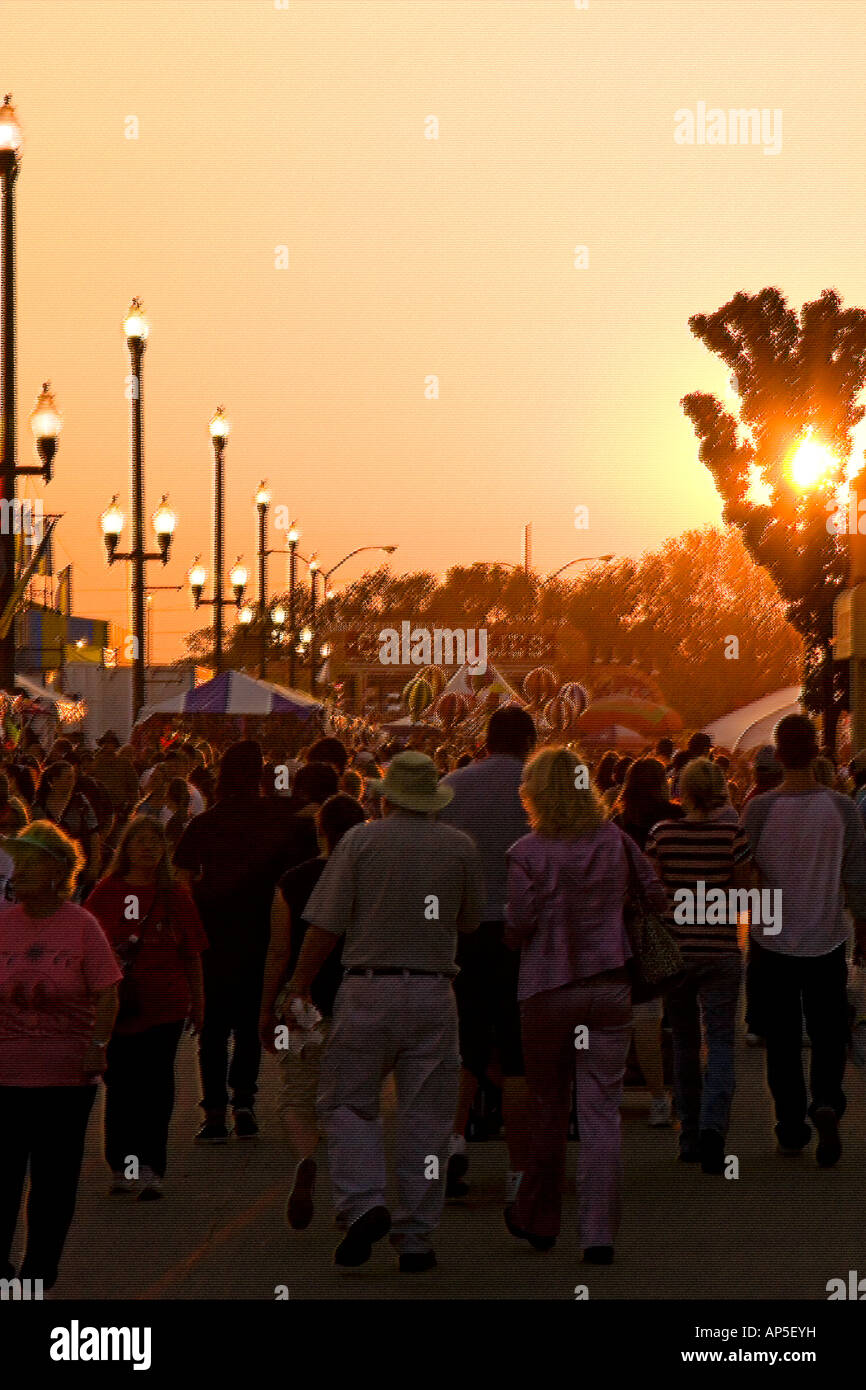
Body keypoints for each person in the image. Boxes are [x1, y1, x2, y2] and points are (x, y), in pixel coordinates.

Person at [283, 752, 484, 1273]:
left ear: (385, 797)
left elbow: (325, 925)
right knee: (427, 1118)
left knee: (346, 1102)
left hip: (368, 987)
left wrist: (299, 984)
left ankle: (364, 1202)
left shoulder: (360, 842)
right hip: (433, 990)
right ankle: (415, 1237)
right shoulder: (460, 848)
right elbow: (469, 923)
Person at [504, 748, 667, 1262]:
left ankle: (540, 1217)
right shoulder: (616, 841)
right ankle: (598, 1233)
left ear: (535, 795)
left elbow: (518, 929)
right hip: (609, 984)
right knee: (602, 1112)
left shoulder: (526, 852)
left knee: (549, 1107)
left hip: (547, 989)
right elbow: (658, 898)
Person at [173, 740, 323, 1143]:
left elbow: (181, 879)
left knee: (213, 1027)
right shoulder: (277, 816)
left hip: (213, 936)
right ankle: (244, 1102)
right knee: (250, 1021)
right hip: (263, 932)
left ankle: (215, 1112)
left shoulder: (206, 822)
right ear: (260, 774)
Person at [0, 822, 121, 1292]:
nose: (17, 877)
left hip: (66, 1077)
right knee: (4, 1173)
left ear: (55, 872)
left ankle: (39, 1267)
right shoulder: (4, 924)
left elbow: (108, 992)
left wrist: (96, 1048)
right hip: (6, 1073)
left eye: (28, 868)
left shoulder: (82, 924)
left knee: (53, 1177)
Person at [740, 714, 866, 1166]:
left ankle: (791, 1125)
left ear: (778, 753)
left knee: (783, 1037)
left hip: (772, 940)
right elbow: (856, 878)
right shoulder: (843, 808)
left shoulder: (758, 809)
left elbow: (740, 870)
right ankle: (827, 1100)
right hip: (827, 938)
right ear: (816, 751)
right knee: (829, 1030)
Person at [437, 705, 537, 1204]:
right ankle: (520, 1171)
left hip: (465, 933)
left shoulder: (452, 785)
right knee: (518, 1056)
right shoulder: (540, 789)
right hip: (526, 938)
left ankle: (454, 1140)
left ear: (488, 739)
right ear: (530, 742)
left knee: (464, 1044)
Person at [259, 793, 366, 1230]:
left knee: (298, 1095)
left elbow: (279, 950)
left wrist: (267, 1009)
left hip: (307, 1003)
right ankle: (353, 1196)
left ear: (320, 831)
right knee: (353, 1102)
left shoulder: (294, 880)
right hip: (360, 997)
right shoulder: (372, 878)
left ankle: (306, 1159)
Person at [85, 818, 207, 1200]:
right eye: (140, 842)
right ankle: (127, 1165)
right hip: (118, 1006)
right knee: (122, 1086)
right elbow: (85, 951)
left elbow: (193, 954)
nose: (147, 849)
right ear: (126, 847)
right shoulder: (107, 893)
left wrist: (199, 1003)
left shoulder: (175, 895)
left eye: (155, 843)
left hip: (166, 1004)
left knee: (155, 1087)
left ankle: (150, 1166)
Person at [645, 759, 752, 1172]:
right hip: (720, 949)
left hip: (676, 952)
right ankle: (713, 1128)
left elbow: (652, 896)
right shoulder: (733, 834)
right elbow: (744, 894)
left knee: (685, 1043)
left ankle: (688, 1132)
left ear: (682, 790)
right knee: (722, 1041)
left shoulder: (662, 834)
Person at [612, 756, 685, 1128]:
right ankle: (661, 1096)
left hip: (621, 928)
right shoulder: (676, 818)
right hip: (668, 923)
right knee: (656, 1016)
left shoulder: (617, 824)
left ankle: (610, 1093)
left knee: (622, 1014)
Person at [31, 760, 101, 898]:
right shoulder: (39, 806)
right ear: (54, 780)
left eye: (73, 777)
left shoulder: (80, 802)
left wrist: (94, 863)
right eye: (68, 777)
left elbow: (93, 832)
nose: (72, 782)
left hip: (75, 867)